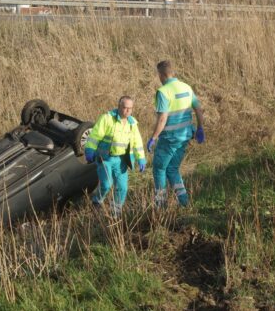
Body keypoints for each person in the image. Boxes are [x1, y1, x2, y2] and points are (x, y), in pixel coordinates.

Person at [147, 60, 205, 208]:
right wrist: (200, 128)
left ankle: (161, 204)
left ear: (161, 74)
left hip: (169, 139)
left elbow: (162, 118)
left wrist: (153, 137)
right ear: (172, 72)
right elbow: (198, 109)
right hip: (184, 136)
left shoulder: (163, 92)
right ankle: (184, 201)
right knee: (172, 169)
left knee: (159, 169)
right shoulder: (186, 87)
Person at [84, 96, 147, 217]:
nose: (127, 111)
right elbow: (95, 136)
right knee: (107, 184)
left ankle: (115, 212)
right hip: (105, 158)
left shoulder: (132, 123)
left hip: (122, 161)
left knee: (122, 187)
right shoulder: (107, 118)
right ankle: (97, 201)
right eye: (125, 107)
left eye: (130, 108)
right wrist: (90, 149)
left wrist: (141, 158)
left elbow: (137, 142)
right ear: (119, 107)